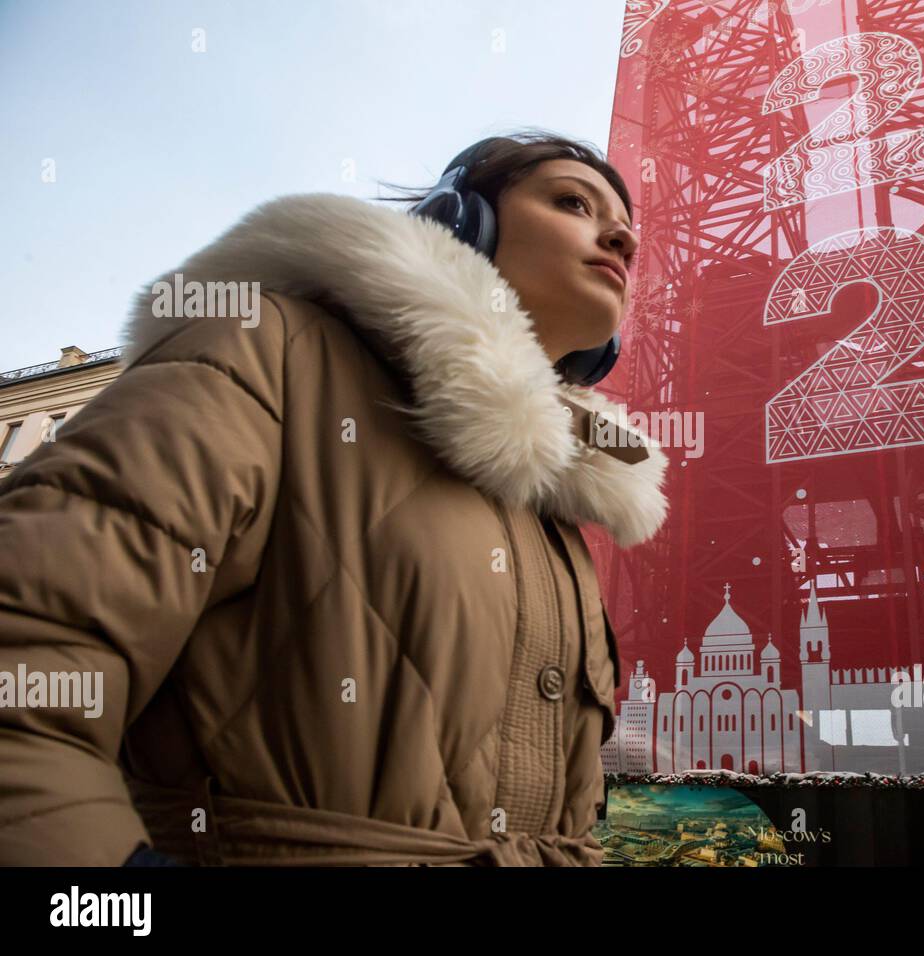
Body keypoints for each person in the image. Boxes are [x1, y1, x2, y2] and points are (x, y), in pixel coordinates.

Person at [0, 130, 668, 866]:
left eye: (629, 235)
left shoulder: (553, 510)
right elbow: (31, 654)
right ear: (457, 220)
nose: (620, 237)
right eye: (573, 201)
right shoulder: (269, 352)